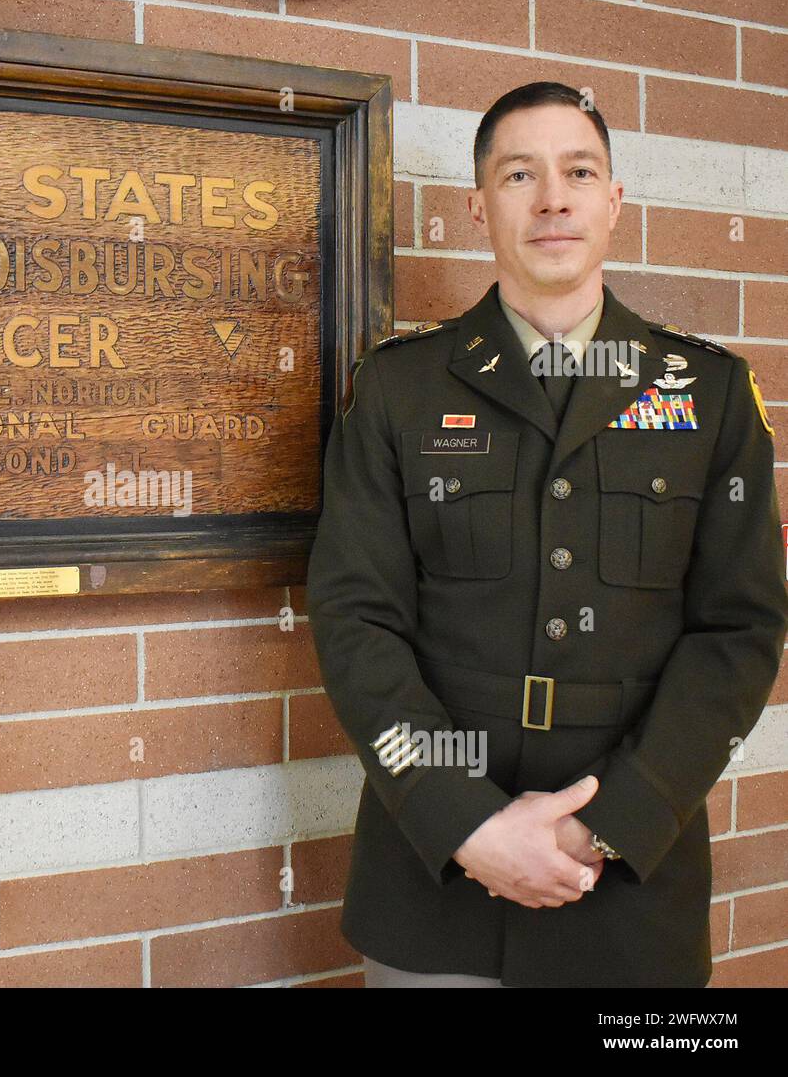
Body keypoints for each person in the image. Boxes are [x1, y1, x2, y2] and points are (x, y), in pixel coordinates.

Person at [306, 81, 788, 988]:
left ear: (614, 202)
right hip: (436, 888)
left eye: (579, 171)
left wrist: (610, 824)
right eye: (519, 173)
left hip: (633, 892)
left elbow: (740, 634)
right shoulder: (401, 390)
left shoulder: (709, 395)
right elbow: (355, 620)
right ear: (479, 205)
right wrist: (465, 822)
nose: (553, 198)